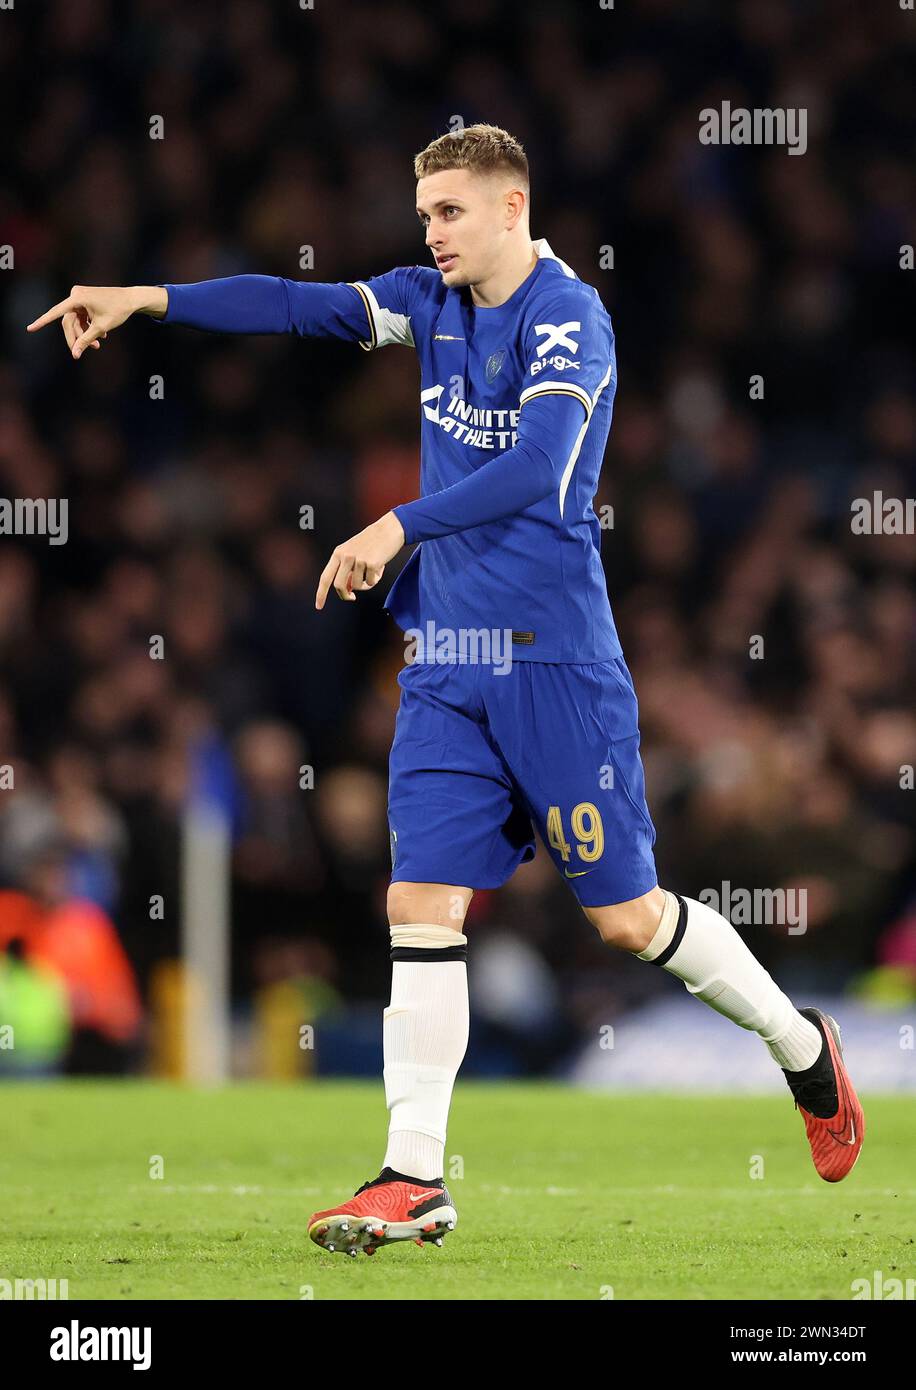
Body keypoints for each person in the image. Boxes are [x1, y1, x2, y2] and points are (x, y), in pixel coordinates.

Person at [27, 123, 864, 1259]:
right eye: (426, 215)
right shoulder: (427, 300)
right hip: (447, 669)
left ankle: (800, 1046)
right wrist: (149, 298)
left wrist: (396, 524)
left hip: (557, 665)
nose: (432, 233)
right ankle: (412, 1176)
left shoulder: (570, 317)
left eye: (452, 212)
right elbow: (291, 302)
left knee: (628, 918)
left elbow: (537, 468)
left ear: (512, 207)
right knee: (418, 906)